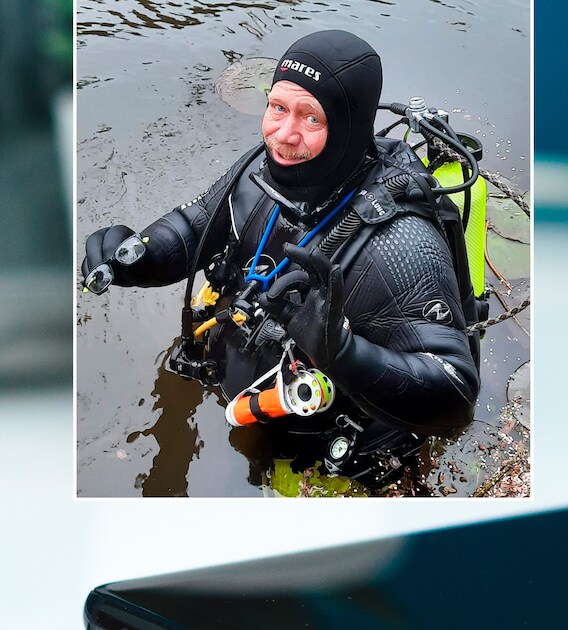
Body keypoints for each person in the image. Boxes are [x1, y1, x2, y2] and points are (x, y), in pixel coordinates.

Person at [80, 30, 482, 490]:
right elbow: (196, 225)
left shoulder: (399, 245)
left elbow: (456, 398)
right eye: (277, 108)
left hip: (322, 448)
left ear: (350, 127)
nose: (283, 135)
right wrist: (141, 256)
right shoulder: (260, 171)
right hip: (239, 393)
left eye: (311, 117)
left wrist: (344, 353)